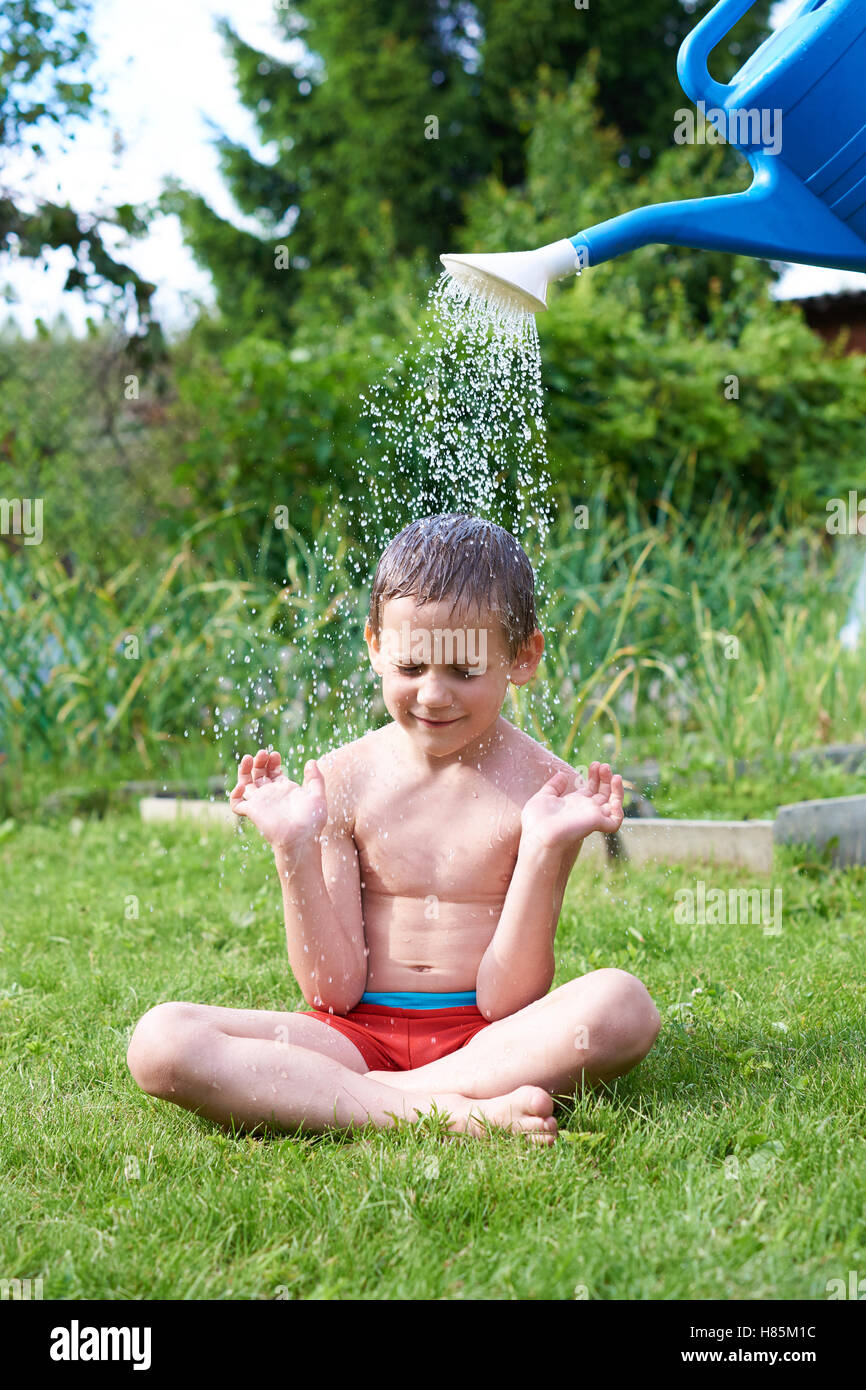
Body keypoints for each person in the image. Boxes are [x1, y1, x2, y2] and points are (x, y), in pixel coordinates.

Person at [127, 514, 661, 1143]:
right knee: (160, 1041)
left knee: (623, 1006)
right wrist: (292, 848)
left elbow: (505, 1002)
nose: (433, 696)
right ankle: (442, 1110)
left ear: (523, 657)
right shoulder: (343, 780)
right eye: (410, 669)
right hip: (353, 1038)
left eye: (463, 672)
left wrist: (546, 847)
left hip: (489, 1042)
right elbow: (334, 989)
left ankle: (369, 1103)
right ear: (376, 645)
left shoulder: (543, 793)